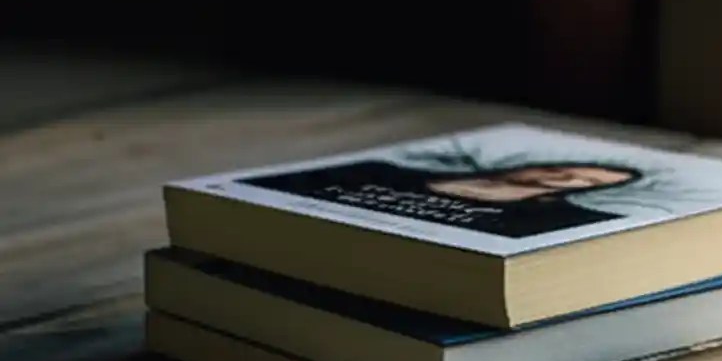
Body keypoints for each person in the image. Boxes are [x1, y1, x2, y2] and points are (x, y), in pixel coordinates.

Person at [241, 159, 642, 238]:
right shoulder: (381, 172)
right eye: (561, 168)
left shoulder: (561, 223)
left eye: (584, 181)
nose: (568, 178)